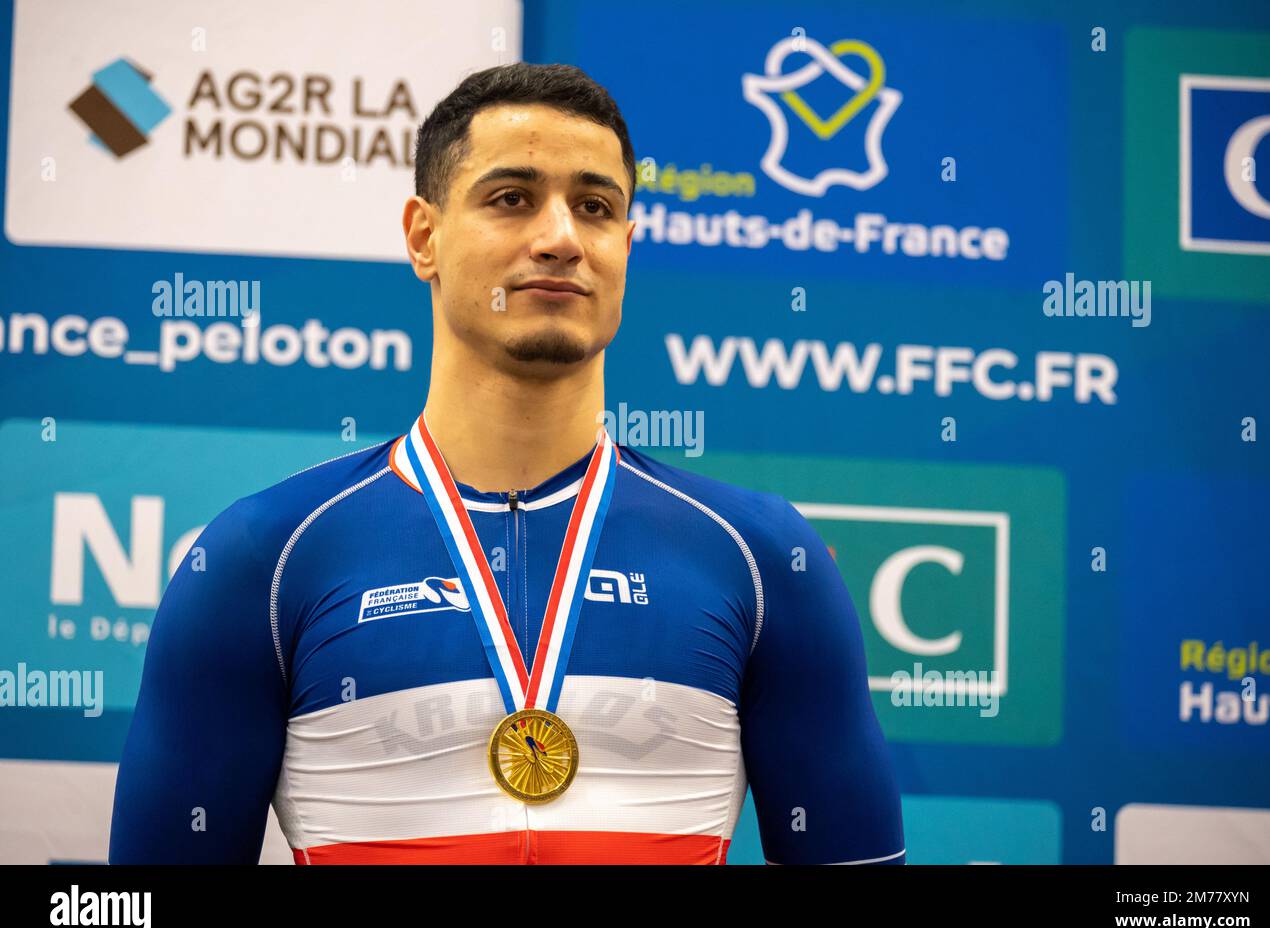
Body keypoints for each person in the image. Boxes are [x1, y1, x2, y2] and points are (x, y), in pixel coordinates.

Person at [108, 62, 904, 865]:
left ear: (625, 248)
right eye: (511, 198)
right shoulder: (264, 559)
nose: (560, 237)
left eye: (595, 207)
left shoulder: (763, 558)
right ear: (424, 237)